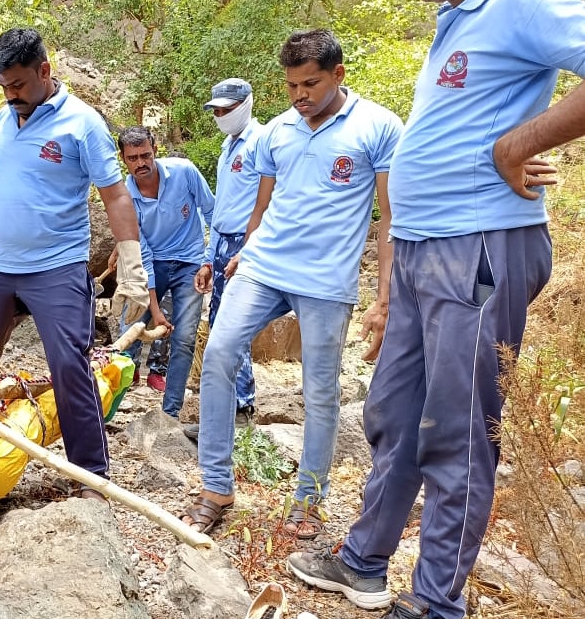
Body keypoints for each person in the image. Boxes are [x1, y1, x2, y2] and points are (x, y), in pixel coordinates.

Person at [288, 0, 585, 619]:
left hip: (479, 248)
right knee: (393, 412)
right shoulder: (459, 17)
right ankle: (363, 558)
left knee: (455, 428)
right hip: (425, 250)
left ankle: (436, 604)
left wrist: (522, 143)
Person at [184, 29, 402, 540]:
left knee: (320, 391)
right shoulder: (276, 132)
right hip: (263, 265)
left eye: (310, 83)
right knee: (218, 354)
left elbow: (390, 217)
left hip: (326, 280)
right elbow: (263, 206)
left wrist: (385, 297)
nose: (300, 95)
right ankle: (215, 487)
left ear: (338, 75)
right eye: (290, 86)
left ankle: (307, 500)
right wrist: (243, 252)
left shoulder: (379, 127)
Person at [0, 27, 150, 499]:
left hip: (57, 266)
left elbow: (115, 194)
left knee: (68, 365)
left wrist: (133, 267)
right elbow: (2, 184)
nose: (10, 94)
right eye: (2, 85)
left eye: (18, 84)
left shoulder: (83, 124)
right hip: (3, 265)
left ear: (44, 71)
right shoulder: (4, 120)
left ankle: (90, 475)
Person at [117, 126, 214, 419]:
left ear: (155, 150)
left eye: (145, 155)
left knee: (184, 338)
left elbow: (212, 212)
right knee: (128, 332)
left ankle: (169, 413)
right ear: (123, 159)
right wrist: (155, 309)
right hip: (152, 264)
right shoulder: (125, 195)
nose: (140, 163)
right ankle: (106, 406)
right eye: (132, 158)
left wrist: (209, 261)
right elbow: (141, 253)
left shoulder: (184, 172)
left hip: (190, 263)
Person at [194, 77, 263, 418]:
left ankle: (241, 408)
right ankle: (225, 408)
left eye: (227, 109)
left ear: (247, 104)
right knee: (219, 324)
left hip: (243, 243)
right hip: (222, 241)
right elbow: (222, 206)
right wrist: (209, 258)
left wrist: (248, 249)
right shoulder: (228, 146)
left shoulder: (259, 143)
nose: (221, 115)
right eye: (217, 110)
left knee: (234, 327)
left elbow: (268, 203)